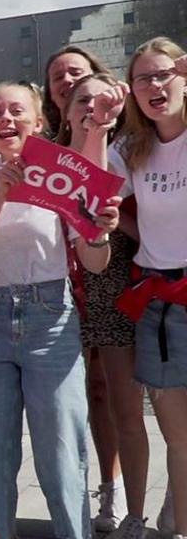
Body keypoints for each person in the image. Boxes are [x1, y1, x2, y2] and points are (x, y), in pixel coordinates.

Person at [0, 81, 122, 539]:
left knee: (62, 453)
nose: (7, 120)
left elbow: (94, 261)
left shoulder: (60, 173)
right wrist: (3, 193)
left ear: (39, 121)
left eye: (17, 112)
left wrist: (99, 233)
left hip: (51, 317)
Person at [55, 72, 150, 538]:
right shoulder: (44, 157)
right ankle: (103, 491)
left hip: (111, 283)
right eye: (79, 100)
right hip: (58, 293)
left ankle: (135, 509)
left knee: (124, 403)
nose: (89, 108)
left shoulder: (124, 152)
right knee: (86, 399)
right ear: (65, 107)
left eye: (98, 99)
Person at [109, 38, 187, 539]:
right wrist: (100, 121)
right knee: (179, 440)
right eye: (143, 79)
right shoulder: (131, 150)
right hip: (163, 307)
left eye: (165, 74)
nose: (155, 86)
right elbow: (92, 195)